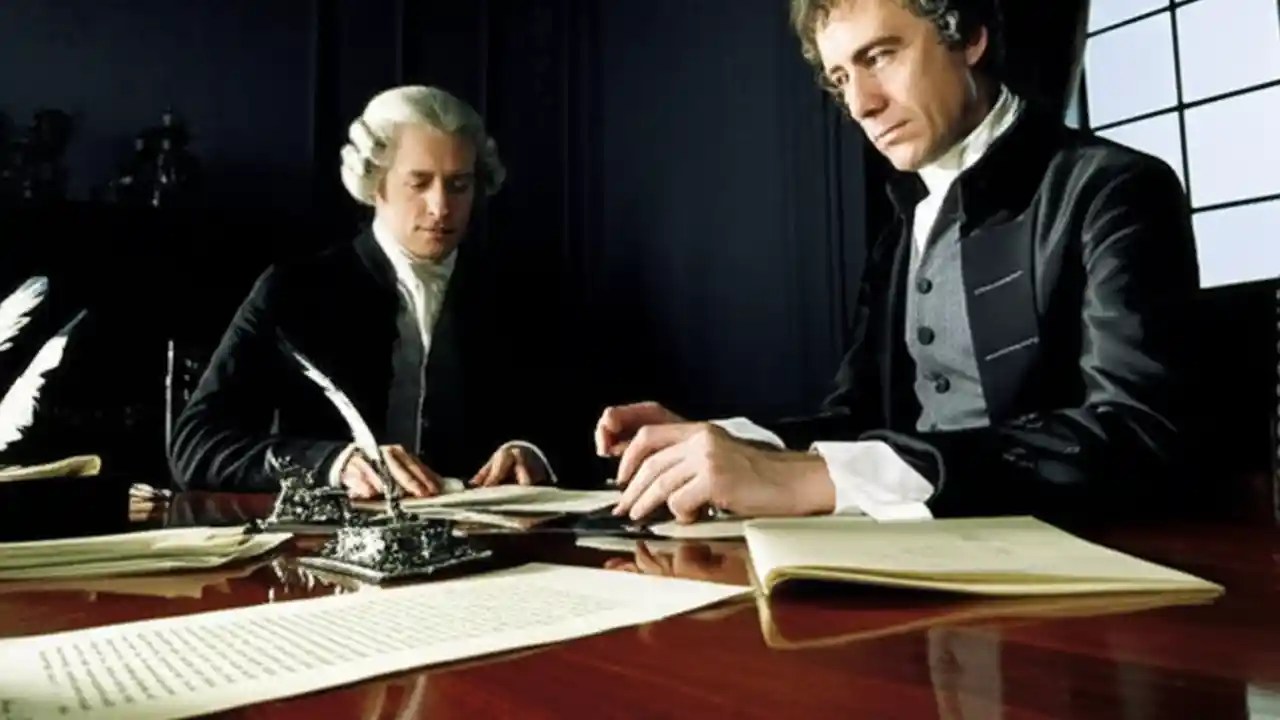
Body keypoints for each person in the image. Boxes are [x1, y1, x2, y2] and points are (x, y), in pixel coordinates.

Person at [597, 0, 1199, 523]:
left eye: (879, 56)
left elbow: (1137, 435)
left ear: (968, 36)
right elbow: (855, 419)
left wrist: (814, 480)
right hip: (920, 559)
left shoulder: (1116, 189)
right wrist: (725, 444)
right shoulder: (903, 229)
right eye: (839, 78)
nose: (860, 104)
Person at [170, 85, 561, 497]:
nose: (441, 207)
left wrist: (532, 451)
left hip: (489, 547)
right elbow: (195, 445)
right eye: (419, 183)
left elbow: (583, 423)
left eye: (458, 185)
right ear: (375, 181)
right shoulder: (295, 292)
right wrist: (335, 464)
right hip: (326, 550)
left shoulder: (517, 293)